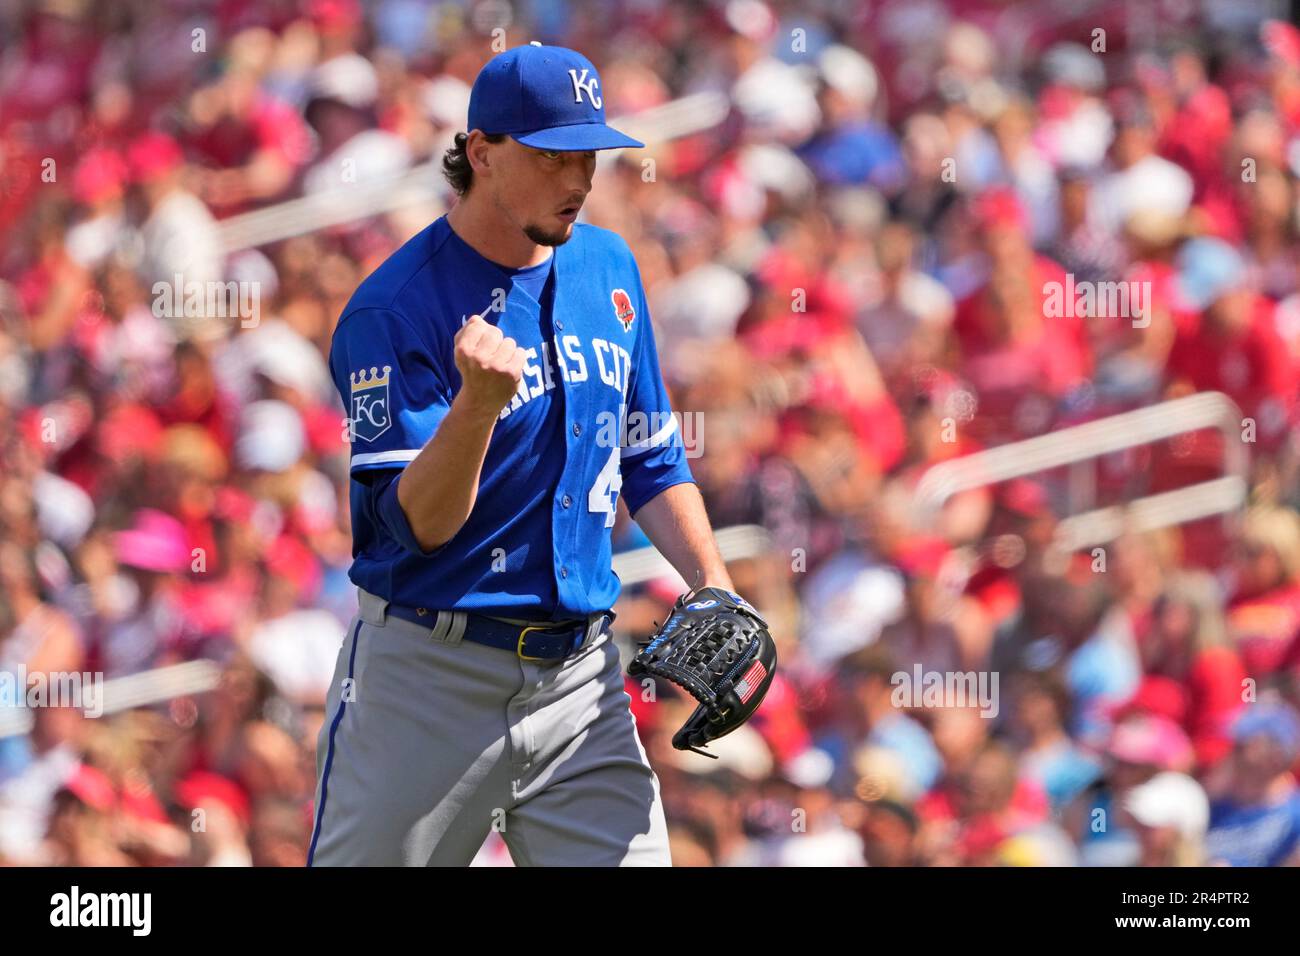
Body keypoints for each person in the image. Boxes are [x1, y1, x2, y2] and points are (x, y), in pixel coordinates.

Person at [308, 43, 740, 866]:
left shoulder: (608, 264)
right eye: (551, 157)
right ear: (481, 154)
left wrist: (712, 583)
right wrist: (475, 408)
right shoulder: (393, 309)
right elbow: (419, 528)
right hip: (427, 682)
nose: (577, 179)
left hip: (582, 680)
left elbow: (650, 455)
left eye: (589, 155)